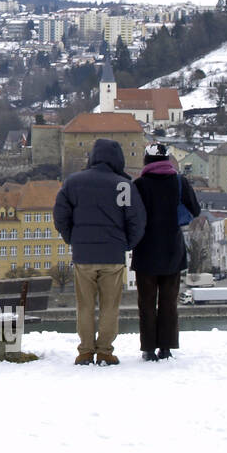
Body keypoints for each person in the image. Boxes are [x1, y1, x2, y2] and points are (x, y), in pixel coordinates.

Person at [54, 138, 146, 366]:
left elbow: (60, 215)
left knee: (84, 305)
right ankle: (104, 351)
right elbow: (136, 220)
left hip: (83, 255)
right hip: (112, 255)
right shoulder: (123, 185)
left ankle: (85, 351)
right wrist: (126, 244)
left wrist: (72, 239)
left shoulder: (73, 182)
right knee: (109, 306)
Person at [133, 142, 200, 360]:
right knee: (169, 301)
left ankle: (148, 349)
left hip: (146, 250)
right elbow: (195, 209)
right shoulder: (179, 182)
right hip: (173, 249)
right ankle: (167, 346)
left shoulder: (140, 185)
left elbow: (132, 216)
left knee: (147, 302)